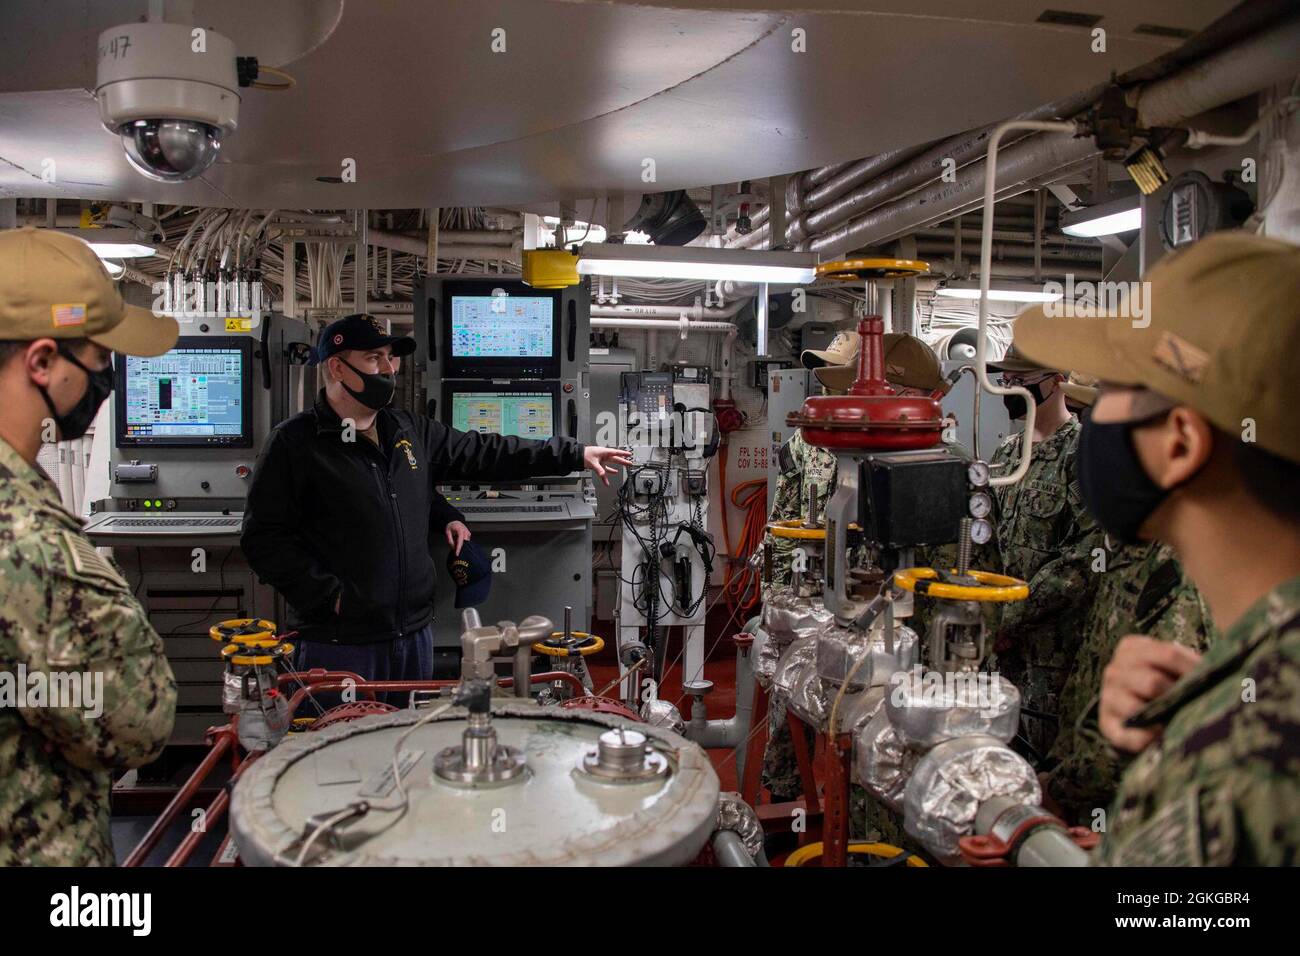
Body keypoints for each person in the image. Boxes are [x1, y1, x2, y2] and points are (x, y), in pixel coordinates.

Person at [1014, 231, 1300, 865]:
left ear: (1179, 443)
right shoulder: (1247, 708)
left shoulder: (1237, 764)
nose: (1097, 414)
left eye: (1117, 384)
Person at [241, 314, 632, 692]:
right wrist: (330, 598)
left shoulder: (406, 429)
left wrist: (573, 454)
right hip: (341, 641)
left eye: (390, 357)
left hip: (411, 634)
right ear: (338, 368)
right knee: (343, 749)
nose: (389, 368)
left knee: (408, 745)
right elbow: (263, 539)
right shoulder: (295, 443)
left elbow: (483, 452)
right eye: (374, 358)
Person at [0, 228, 178, 865]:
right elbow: (139, 722)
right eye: (101, 357)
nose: (107, 379)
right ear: (42, 362)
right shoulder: (26, 542)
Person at [760, 331, 944, 818]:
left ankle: (870, 822)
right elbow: (790, 516)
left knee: (882, 739)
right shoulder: (814, 441)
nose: (832, 384)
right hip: (824, 596)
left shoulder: (934, 462)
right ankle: (790, 793)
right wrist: (778, 593)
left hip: (895, 623)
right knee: (803, 701)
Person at [985, 345, 1101, 763]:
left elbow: (1085, 558)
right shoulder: (1006, 454)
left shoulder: (1083, 455)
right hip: (999, 651)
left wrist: (1010, 615)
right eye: (1007, 381)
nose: (1012, 389)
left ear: (1056, 381)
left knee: (1043, 765)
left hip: (1051, 656)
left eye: (1022, 380)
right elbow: (986, 542)